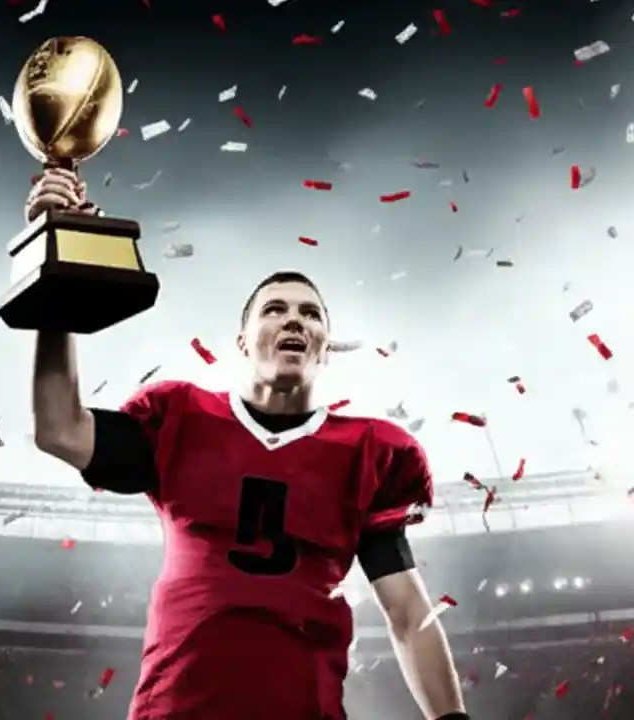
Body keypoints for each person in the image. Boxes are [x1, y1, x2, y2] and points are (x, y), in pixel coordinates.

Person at [27, 169, 469, 720]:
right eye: (275, 309)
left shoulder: (371, 452)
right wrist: (57, 272)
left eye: (311, 314)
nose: (295, 320)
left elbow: (406, 611)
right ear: (242, 340)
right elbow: (59, 430)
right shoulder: (180, 417)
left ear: (325, 347)